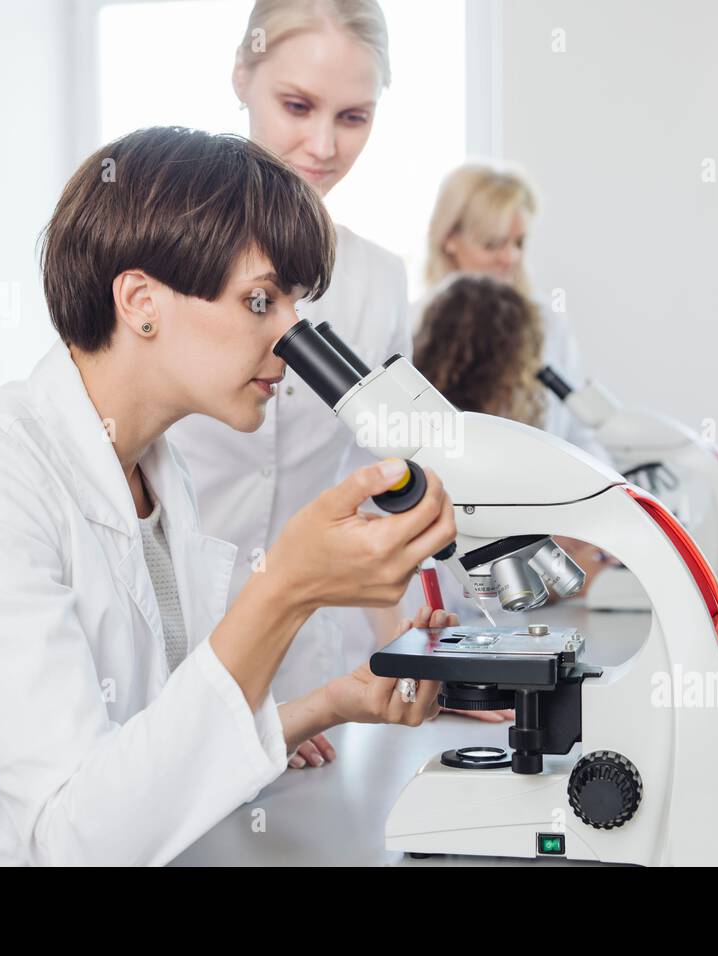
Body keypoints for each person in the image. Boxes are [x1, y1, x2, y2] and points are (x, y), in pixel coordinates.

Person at [0, 127, 457, 867]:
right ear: (140, 301)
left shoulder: (156, 472)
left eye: (294, 302)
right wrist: (285, 590)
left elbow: (142, 750)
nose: (291, 334)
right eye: (260, 300)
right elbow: (77, 835)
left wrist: (323, 705)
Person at [167, 0, 492, 770]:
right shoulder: (164, 256)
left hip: (306, 676)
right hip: (170, 657)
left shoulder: (377, 280)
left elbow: (370, 486)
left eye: (353, 117)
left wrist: (422, 662)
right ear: (241, 75)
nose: (322, 144)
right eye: (296, 106)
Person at [413, 273, 616, 612]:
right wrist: (576, 581)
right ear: (511, 371)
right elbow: (478, 596)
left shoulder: (450, 437)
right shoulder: (455, 457)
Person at [422, 163, 608, 461]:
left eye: (519, 242)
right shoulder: (415, 324)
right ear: (449, 240)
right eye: (493, 244)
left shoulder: (546, 322)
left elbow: (579, 434)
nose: (510, 257)